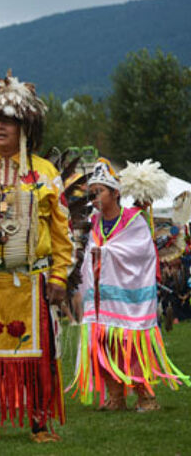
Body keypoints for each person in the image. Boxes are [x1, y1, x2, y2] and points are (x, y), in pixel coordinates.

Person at [0, 75, 69, 443]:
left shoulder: (45, 174)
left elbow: (61, 234)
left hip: (30, 284)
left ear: (24, 127)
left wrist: (59, 278)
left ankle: (39, 423)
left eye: (6, 120)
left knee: (36, 357)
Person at [67, 161, 188, 410]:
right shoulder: (95, 222)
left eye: (99, 191)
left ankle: (145, 397)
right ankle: (116, 397)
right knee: (105, 347)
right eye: (92, 193)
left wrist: (106, 251)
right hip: (100, 300)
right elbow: (88, 252)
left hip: (129, 300)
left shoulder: (134, 220)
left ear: (115, 193)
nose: (95, 198)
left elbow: (142, 251)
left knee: (131, 348)